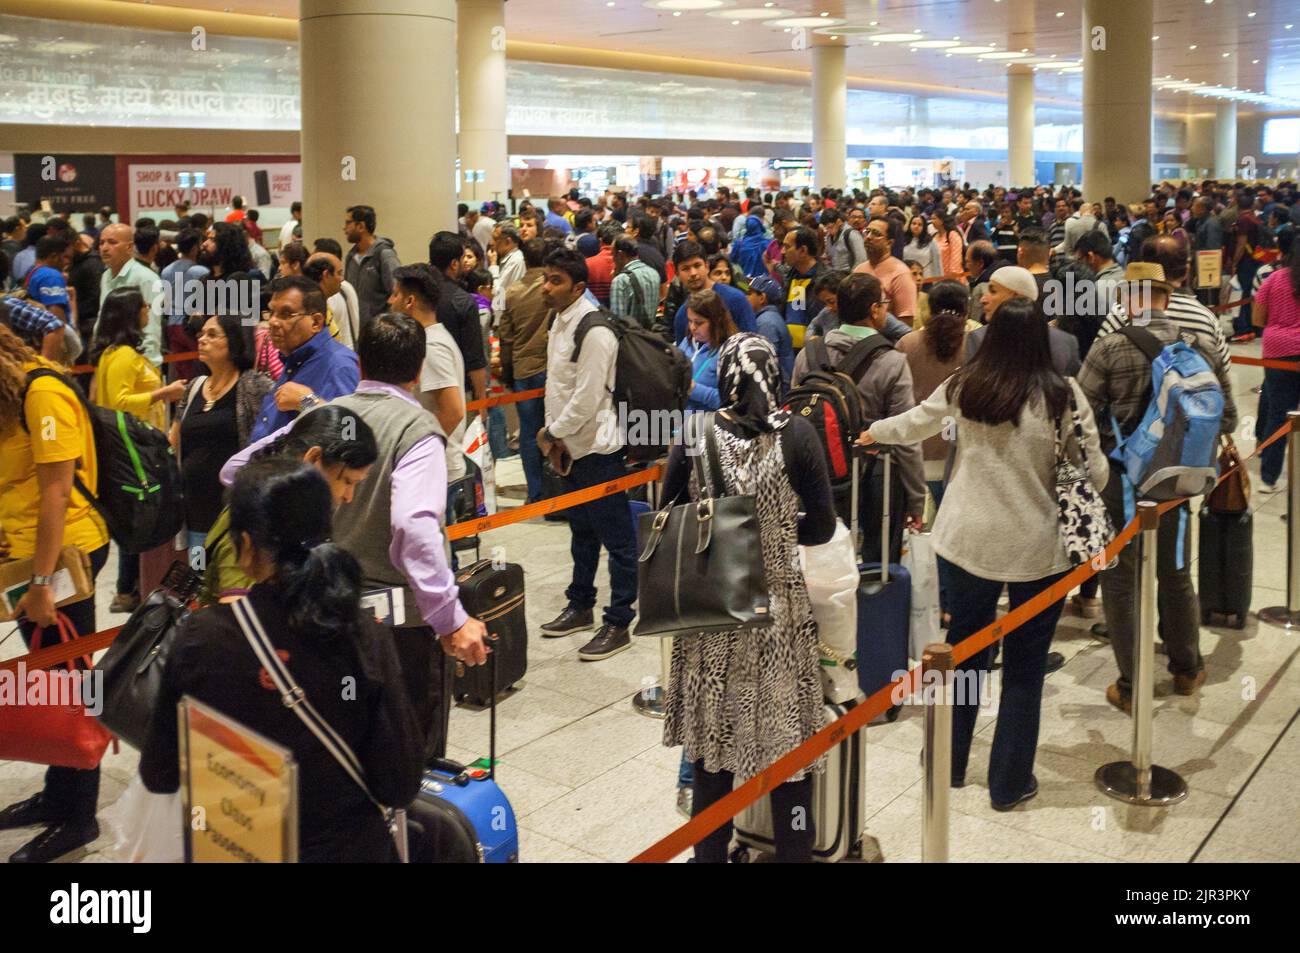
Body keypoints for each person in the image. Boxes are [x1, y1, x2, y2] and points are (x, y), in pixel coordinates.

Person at [863, 295, 1106, 809]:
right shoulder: (1063, 395)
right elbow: (1095, 472)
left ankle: (948, 764)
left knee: (966, 651)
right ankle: (1009, 782)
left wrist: (873, 432)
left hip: (966, 540)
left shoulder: (966, 384)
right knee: (1025, 667)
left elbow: (914, 423)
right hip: (1038, 549)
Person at [225, 313, 489, 762]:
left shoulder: (325, 417)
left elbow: (235, 470)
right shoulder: (417, 430)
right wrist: (450, 618)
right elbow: (413, 526)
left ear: (361, 363)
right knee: (411, 759)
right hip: (400, 631)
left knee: (342, 749)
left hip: (322, 614)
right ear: (419, 370)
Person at [139, 458, 424, 862]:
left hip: (237, 849)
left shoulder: (199, 641)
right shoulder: (362, 633)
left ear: (247, 544)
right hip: (349, 849)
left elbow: (160, 774)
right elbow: (400, 782)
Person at [662, 332, 836, 863]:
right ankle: (793, 854)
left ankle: (709, 854)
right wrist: (779, 534)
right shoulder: (799, 434)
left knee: (713, 757)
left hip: (715, 608)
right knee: (789, 756)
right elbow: (824, 527)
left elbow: (670, 513)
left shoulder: (695, 433)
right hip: (779, 613)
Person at [1077, 263, 1219, 713]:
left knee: (1119, 579)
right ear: (1164, 296)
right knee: (1174, 570)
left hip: (1122, 480)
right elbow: (1227, 416)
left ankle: (1132, 683)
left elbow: (1080, 417)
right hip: (1177, 480)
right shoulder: (1197, 348)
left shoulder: (1109, 349)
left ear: (1126, 298)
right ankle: (1186, 668)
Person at [0, 325, 113, 863]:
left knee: (76, 684)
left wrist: (43, 583)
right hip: (30, 561)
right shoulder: (14, 396)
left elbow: (56, 491)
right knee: (53, 684)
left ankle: (80, 814)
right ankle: (58, 792)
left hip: (66, 562)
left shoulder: (41, 392)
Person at [536, 248, 638, 660]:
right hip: (569, 450)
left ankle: (619, 621)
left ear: (578, 287)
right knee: (581, 531)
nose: (546, 286)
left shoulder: (595, 331)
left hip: (597, 449)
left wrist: (551, 432)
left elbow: (589, 398)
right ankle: (580, 605)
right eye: (546, 277)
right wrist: (555, 440)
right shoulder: (558, 323)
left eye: (556, 280)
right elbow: (557, 387)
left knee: (617, 541)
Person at [792, 272, 925, 556]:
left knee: (821, 556)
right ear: (875, 310)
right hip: (876, 473)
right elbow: (905, 435)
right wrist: (916, 498)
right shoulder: (892, 362)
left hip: (817, 474)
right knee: (879, 563)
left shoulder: (809, 354)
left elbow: (794, 420)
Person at [203, 406, 379, 603]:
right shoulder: (260, 515)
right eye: (347, 481)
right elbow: (235, 615)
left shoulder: (291, 515)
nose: (349, 497)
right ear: (313, 459)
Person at [91, 288, 187, 612]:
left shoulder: (120, 354)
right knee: (138, 514)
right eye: (144, 305)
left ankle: (130, 588)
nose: (149, 309)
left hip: (136, 445)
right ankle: (126, 589)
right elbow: (118, 403)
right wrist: (163, 393)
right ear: (132, 313)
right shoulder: (121, 357)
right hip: (131, 449)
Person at [169, 311, 274, 554]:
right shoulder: (194, 387)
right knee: (199, 579)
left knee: (230, 585)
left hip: (234, 514)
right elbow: (174, 440)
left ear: (235, 341)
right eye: (201, 334)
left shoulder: (253, 385)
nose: (202, 339)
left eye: (212, 334)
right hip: (194, 514)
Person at [247, 276, 360, 443]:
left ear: (316, 322)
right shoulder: (295, 356)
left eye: (286, 314)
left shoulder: (339, 364)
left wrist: (306, 401)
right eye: (271, 312)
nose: (272, 321)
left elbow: (349, 434)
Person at [385, 264, 466, 486]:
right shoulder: (431, 339)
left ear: (409, 301)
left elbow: (453, 411)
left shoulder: (431, 346)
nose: (390, 301)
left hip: (438, 471)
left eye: (395, 294)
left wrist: (417, 450)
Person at [896, 280, 971, 510]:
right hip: (960, 450)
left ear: (929, 308)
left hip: (916, 448)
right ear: (966, 308)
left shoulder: (906, 344)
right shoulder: (975, 343)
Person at [497, 237, 550, 504]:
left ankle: (536, 492)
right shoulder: (552, 289)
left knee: (529, 433)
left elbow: (505, 336)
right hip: (550, 369)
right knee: (553, 429)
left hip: (522, 370)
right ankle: (558, 486)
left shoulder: (512, 292)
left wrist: (506, 372)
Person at [966, 266, 1080, 377]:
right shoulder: (1066, 342)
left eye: (993, 291)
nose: (983, 299)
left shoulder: (978, 339)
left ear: (1017, 298)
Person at [1251, 238, 1300, 492]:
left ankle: (1268, 478)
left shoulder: (1274, 278)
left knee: (1277, 413)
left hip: (1277, 351)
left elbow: (1257, 319)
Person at [428, 231, 488, 412]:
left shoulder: (418, 293)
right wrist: (482, 403)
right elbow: (475, 359)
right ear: (454, 264)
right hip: (456, 388)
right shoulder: (462, 301)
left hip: (421, 385)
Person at [96, 223, 163, 365]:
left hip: (139, 364)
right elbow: (102, 319)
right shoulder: (105, 276)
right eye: (101, 243)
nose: (105, 248)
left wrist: (148, 365)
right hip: (109, 359)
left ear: (129, 247)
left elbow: (151, 327)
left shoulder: (147, 278)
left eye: (112, 242)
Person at [672, 239, 756, 343]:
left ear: (706, 266)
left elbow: (752, 343)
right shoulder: (682, 315)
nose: (693, 273)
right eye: (685, 269)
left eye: (697, 265)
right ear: (677, 274)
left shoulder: (735, 299)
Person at [343, 205, 401, 330]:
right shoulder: (350, 257)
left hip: (378, 330)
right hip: (356, 330)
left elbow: (397, 292)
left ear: (361, 226)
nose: (344, 228)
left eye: (348, 223)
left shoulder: (384, 254)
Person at [679, 289, 736, 414]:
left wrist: (693, 389)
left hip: (707, 427)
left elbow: (730, 402)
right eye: (690, 321)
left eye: (699, 323)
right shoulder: (686, 342)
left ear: (716, 321)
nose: (692, 327)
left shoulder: (729, 353)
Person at [854, 215, 917, 325]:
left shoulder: (901, 273)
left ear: (889, 243)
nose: (868, 237)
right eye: (867, 231)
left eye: (876, 234)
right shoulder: (859, 269)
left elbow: (906, 321)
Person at [742, 273, 794, 393]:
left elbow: (764, 364)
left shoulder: (766, 323)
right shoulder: (769, 318)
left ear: (762, 298)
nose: (746, 297)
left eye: (750, 293)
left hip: (778, 389)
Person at [610, 236, 659, 328]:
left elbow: (617, 322)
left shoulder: (621, 281)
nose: (612, 259)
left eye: (613, 254)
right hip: (649, 337)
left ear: (620, 255)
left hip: (630, 340)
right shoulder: (654, 273)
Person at [964, 240, 1000, 325]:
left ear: (980, 263)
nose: (966, 266)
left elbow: (976, 324)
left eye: (968, 262)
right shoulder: (1003, 276)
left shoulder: (981, 288)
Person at [730, 213, 771, 279]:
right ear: (760, 226)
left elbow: (732, 259)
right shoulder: (769, 244)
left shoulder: (739, 243)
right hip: (765, 282)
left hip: (745, 282)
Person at [904, 214, 942, 279]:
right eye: (914, 223)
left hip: (926, 279)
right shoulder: (904, 240)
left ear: (924, 227)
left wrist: (939, 280)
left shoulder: (931, 242)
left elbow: (937, 264)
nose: (916, 226)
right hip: (907, 278)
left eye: (920, 225)